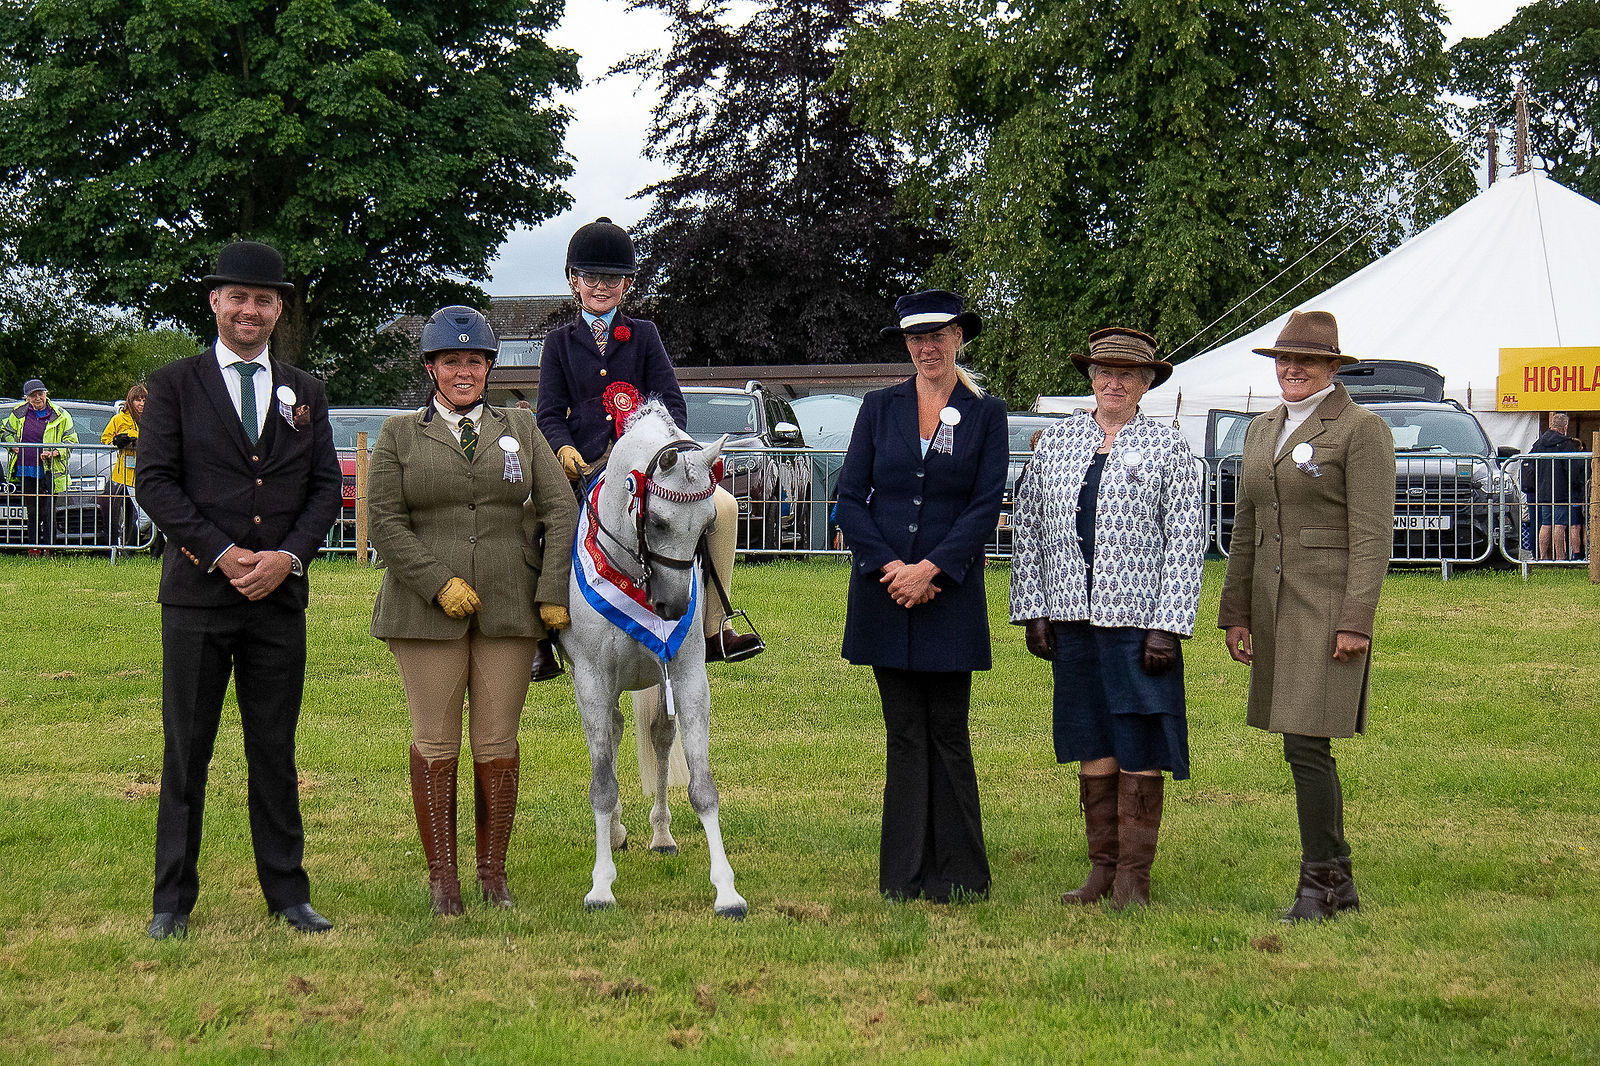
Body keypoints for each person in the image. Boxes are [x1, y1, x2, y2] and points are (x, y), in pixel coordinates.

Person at [136, 241, 344, 939]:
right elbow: (156, 482)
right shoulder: (171, 386)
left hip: (278, 600)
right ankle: (172, 901)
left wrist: (287, 556)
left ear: (279, 309)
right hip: (198, 598)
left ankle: (288, 893)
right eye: (238, 298)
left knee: (274, 752)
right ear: (215, 303)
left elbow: (323, 489)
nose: (250, 310)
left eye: (263, 300)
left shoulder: (305, 392)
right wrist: (224, 555)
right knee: (186, 752)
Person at [368, 306, 577, 915]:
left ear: (490, 368)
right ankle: (444, 883)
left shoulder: (520, 425)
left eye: (476, 362)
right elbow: (384, 521)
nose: (465, 372)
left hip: (511, 606)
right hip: (423, 611)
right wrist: (437, 581)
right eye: (452, 361)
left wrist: (553, 591)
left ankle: (493, 876)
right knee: (436, 740)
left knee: (496, 740)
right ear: (432, 367)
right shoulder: (400, 434)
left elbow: (561, 511)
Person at [1009, 328, 1206, 909]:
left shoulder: (1169, 448)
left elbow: (1186, 541)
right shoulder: (1058, 443)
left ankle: (1133, 880)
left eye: (1127, 374)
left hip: (1140, 621)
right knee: (1090, 734)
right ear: (1090, 377)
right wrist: (1034, 610)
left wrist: (1168, 623)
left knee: (1140, 737)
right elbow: (1031, 530)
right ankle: (1101, 870)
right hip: (1071, 614)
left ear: (1147, 384)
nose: (1113, 382)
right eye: (1103, 371)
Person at [1217, 310, 1395, 923]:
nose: (1291, 370)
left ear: (1331, 368)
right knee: (1298, 741)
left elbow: (1372, 536)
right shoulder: (1262, 428)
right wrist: (1235, 609)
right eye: (1283, 360)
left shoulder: (1362, 431)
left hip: (1325, 607)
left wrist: (1356, 620)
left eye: (1307, 362)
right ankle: (1335, 876)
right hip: (1270, 605)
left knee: (1307, 740)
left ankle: (1322, 880)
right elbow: (1247, 521)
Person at [836, 289, 1008, 903]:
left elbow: (986, 503)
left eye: (938, 337)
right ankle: (903, 876)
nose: (926, 348)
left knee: (949, 733)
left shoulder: (987, 414)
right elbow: (849, 498)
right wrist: (892, 568)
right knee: (904, 732)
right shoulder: (878, 409)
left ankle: (959, 875)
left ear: (959, 338)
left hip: (949, 595)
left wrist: (932, 567)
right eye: (916, 339)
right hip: (886, 594)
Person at [535, 217, 762, 664]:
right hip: (582, 464)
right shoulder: (558, 343)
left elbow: (672, 405)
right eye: (591, 277)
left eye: (612, 278)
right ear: (573, 281)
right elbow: (547, 413)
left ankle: (717, 627)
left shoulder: (644, 335)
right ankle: (540, 635)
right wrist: (563, 448)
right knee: (529, 518)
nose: (601, 286)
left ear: (627, 284)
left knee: (726, 507)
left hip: (645, 467)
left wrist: (659, 451)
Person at [1, 378, 76, 553]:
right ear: (26, 398)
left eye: (40, 394)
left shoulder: (60, 414)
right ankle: (33, 548)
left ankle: (49, 548)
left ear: (46, 394)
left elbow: (71, 441)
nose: (37, 398)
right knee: (33, 511)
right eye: (33, 395)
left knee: (48, 511)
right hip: (26, 468)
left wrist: (54, 452)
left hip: (50, 470)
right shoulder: (18, 412)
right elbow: (5, 432)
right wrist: (14, 445)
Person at [1522, 412, 1587, 561]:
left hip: (1543, 491)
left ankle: (1542, 557)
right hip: (1561, 492)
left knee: (1545, 525)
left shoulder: (1538, 444)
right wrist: (1577, 486)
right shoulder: (1567, 444)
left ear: (1552, 425)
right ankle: (1560, 557)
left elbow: (1530, 466)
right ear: (1565, 426)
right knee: (1560, 525)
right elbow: (1574, 470)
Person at [102, 383, 147, 549]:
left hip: (149, 473)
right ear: (130, 401)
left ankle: (135, 544)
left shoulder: (153, 418)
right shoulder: (119, 419)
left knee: (149, 516)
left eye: (144, 399)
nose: (141, 403)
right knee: (143, 517)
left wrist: (136, 440)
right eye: (137, 400)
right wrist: (118, 441)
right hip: (127, 475)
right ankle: (129, 546)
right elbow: (105, 440)